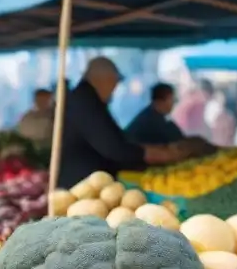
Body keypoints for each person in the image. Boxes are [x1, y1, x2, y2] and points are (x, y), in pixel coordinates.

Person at [59, 57, 183, 189]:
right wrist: (151, 154)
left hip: (88, 183)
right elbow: (113, 147)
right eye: (115, 82)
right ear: (106, 79)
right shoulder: (85, 103)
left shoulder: (87, 99)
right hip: (81, 186)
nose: (115, 88)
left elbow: (114, 140)